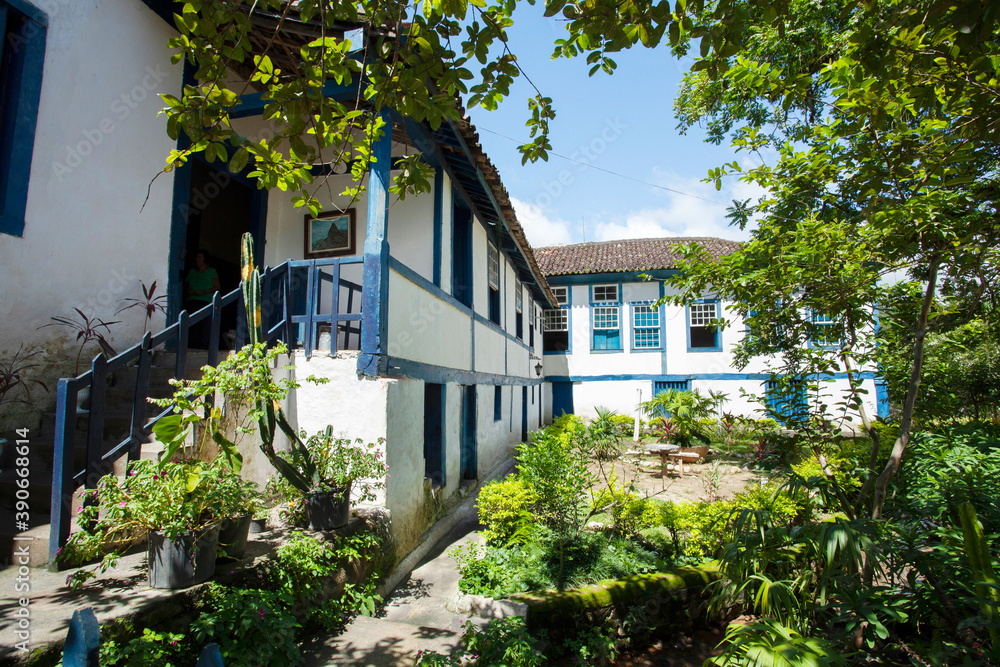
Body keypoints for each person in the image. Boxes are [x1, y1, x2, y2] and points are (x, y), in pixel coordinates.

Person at [184, 250, 221, 348]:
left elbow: (217, 286)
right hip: (192, 301)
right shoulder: (192, 272)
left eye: (200, 258)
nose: (197, 260)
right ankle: (192, 345)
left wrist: (204, 291)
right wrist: (190, 291)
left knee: (205, 324)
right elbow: (186, 286)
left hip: (205, 301)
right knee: (192, 324)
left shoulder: (211, 271)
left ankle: (203, 346)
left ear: (205, 260)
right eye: (196, 257)